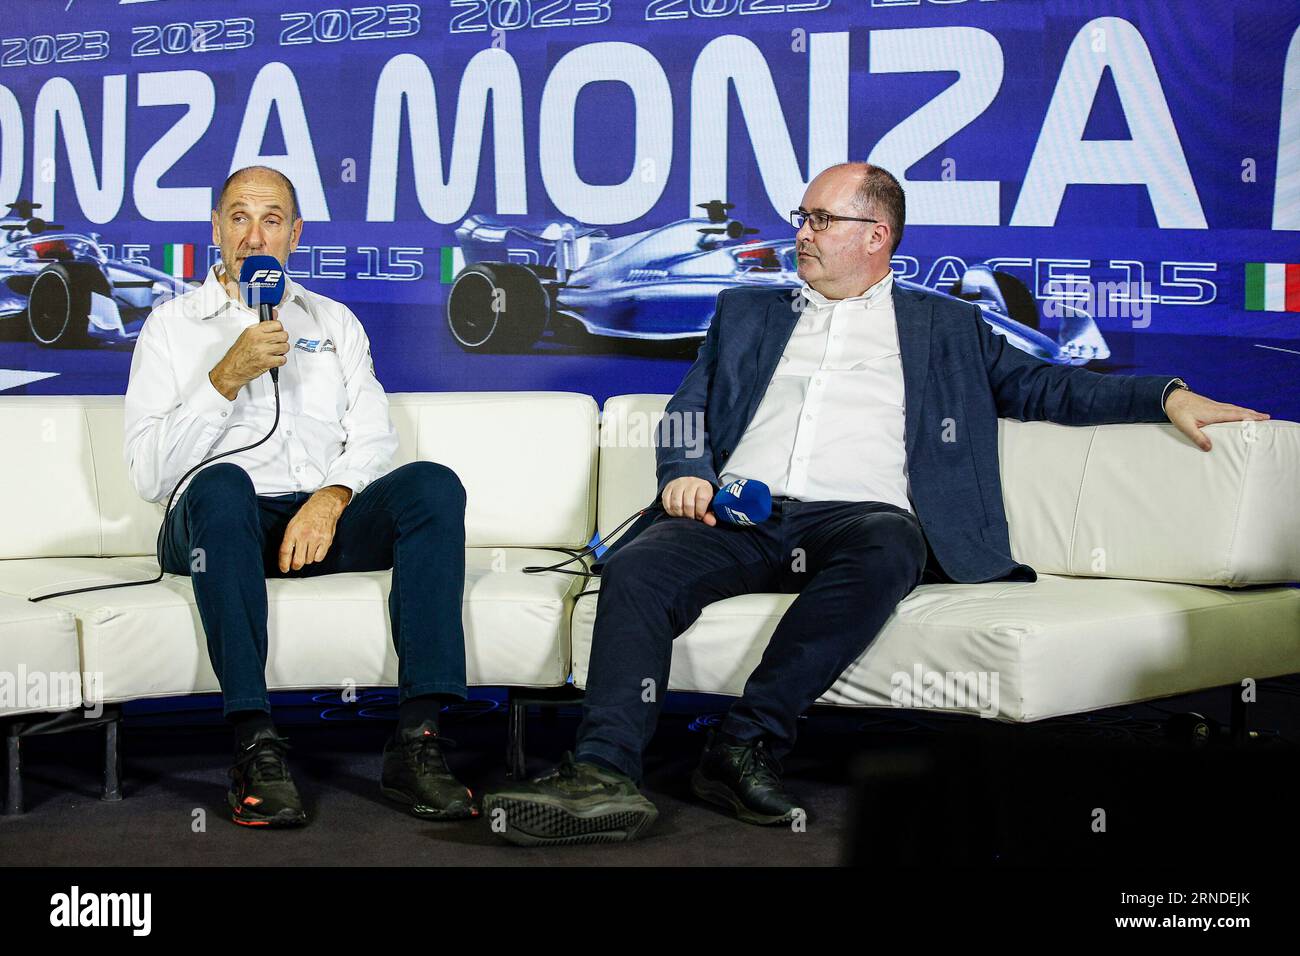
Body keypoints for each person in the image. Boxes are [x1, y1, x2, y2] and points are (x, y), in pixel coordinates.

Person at [484, 162, 1271, 846]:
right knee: (645, 567)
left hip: (861, 519)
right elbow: (687, 410)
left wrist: (1164, 394)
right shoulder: (746, 313)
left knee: (889, 545)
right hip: (743, 512)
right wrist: (684, 470)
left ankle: (744, 747)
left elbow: (1052, 385)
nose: (803, 233)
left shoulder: (946, 326)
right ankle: (603, 772)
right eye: (803, 217)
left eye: (823, 219)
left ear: (878, 235)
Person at [123, 166, 474, 828]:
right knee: (222, 485)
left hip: (313, 522)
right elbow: (148, 475)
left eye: (272, 219)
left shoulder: (333, 322)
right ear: (215, 230)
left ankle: (417, 743)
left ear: (295, 235)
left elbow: (373, 436)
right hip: (211, 526)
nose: (254, 235)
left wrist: (334, 494)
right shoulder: (172, 327)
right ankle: (255, 745)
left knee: (433, 486)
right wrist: (223, 379)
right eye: (239, 217)